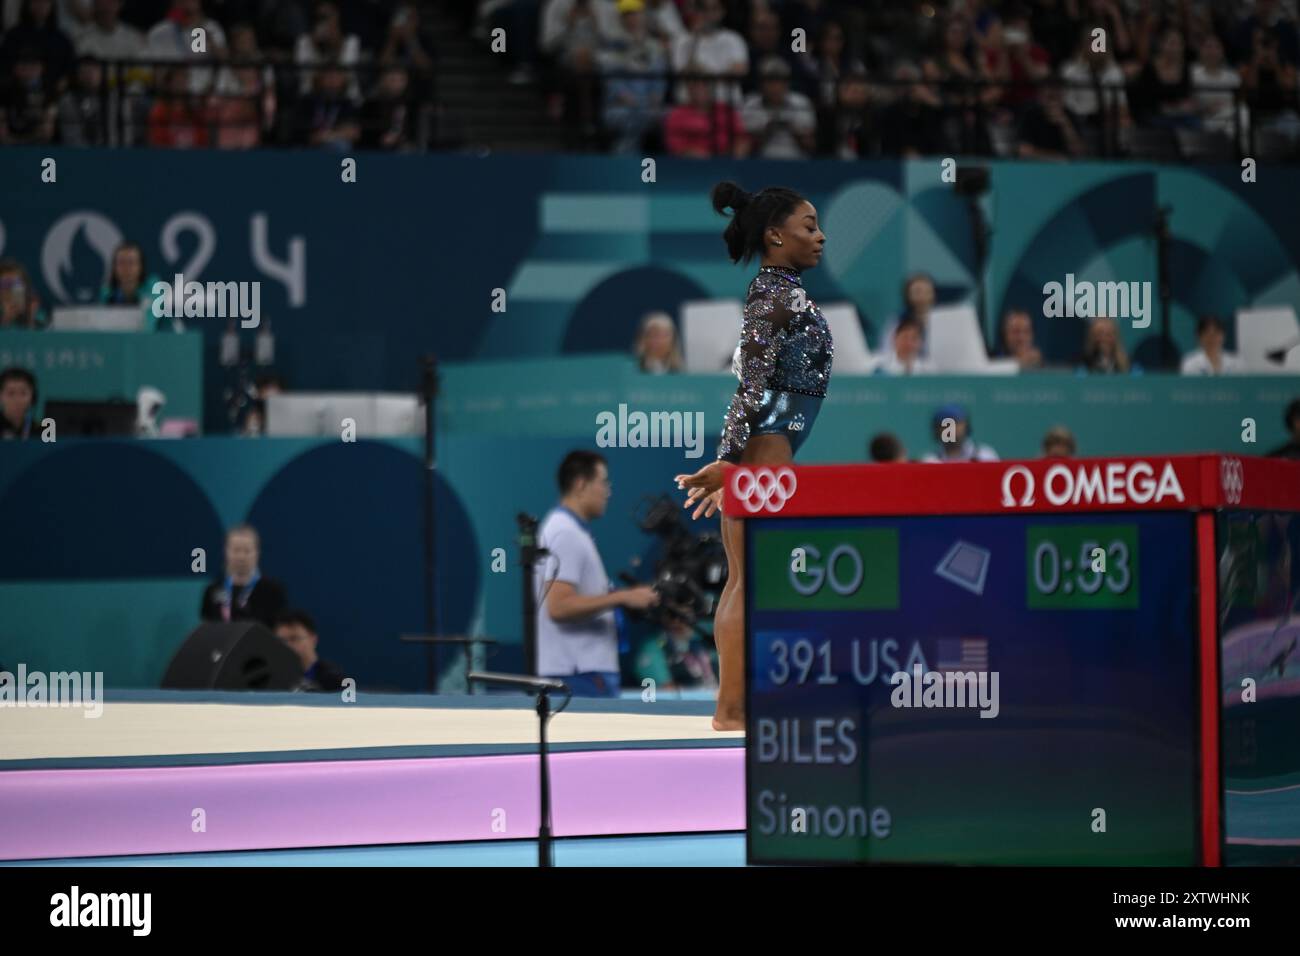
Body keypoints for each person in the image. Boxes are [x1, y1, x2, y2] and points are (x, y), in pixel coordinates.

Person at [675, 180, 830, 731]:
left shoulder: (781, 291)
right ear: (774, 235)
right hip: (764, 454)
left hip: (768, 452)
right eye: (808, 227)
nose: (820, 236)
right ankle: (734, 709)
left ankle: (733, 707)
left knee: (746, 578)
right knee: (753, 581)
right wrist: (731, 463)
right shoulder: (776, 295)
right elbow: (751, 387)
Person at [535, 450, 660, 697]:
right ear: (581, 484)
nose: (608, 491)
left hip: (582, 672)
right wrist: (623, 597)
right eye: (604, 482)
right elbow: (558, 606)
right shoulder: (565, 532)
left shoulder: (569, 530)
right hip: (579, 674)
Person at [199, 524, 288, 629]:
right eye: (236, 550)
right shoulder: (213, 590)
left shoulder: (273, 590)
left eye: (247, 551)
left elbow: (280, 630)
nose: (241, 556)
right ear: (226, 551)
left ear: (257, 553)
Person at [274, 608, 346, 691]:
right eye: (281, 641)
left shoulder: (334, 680)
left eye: (294, 638)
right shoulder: (272, 680)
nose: (287, 645)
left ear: (313, 639)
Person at [99, 239, 165, 328]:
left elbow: (148, 324)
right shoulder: (106, 292)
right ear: (114, 267)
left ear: (141, 266)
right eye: (121, 263)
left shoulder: (154, 287)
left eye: (131, 262)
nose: (126, 268)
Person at [877, 272, 936, 359]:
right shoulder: (897, 320)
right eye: (917, 292)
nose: (922, 296)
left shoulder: (942, 320)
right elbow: (886, 349)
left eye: (927, 291)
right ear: (908, 294)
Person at [921, 403, 998, 462]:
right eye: (946, 424)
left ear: (966, 426)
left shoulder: (986, 455)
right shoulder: (930, 460)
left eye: (956, 422)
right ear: (937, 430)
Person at [0, 366, 38, 440]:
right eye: (11, 393)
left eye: (23, 393)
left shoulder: (40, 431)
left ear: (33, 397)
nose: (17, 400)